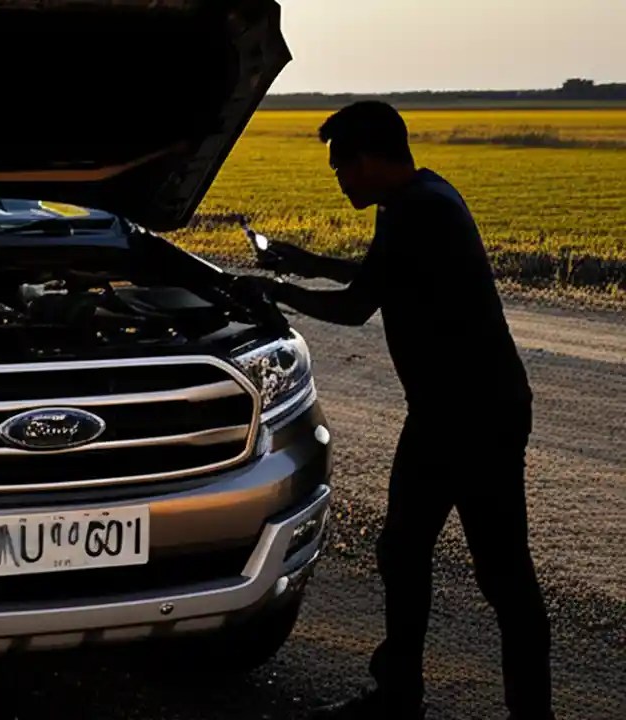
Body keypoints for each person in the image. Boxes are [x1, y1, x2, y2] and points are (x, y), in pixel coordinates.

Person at [248, 101, 553, 720]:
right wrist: (299, 261)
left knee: (502, 575)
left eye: (343, 168)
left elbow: (358, 305)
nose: (340, 181)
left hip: (476, 417)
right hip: (445, 414)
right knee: (403, 550)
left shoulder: (421, 212)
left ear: (370, 159)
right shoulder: (418, 199)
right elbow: (381, 276)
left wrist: (275, 293)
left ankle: (527, 711)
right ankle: (398, 695)